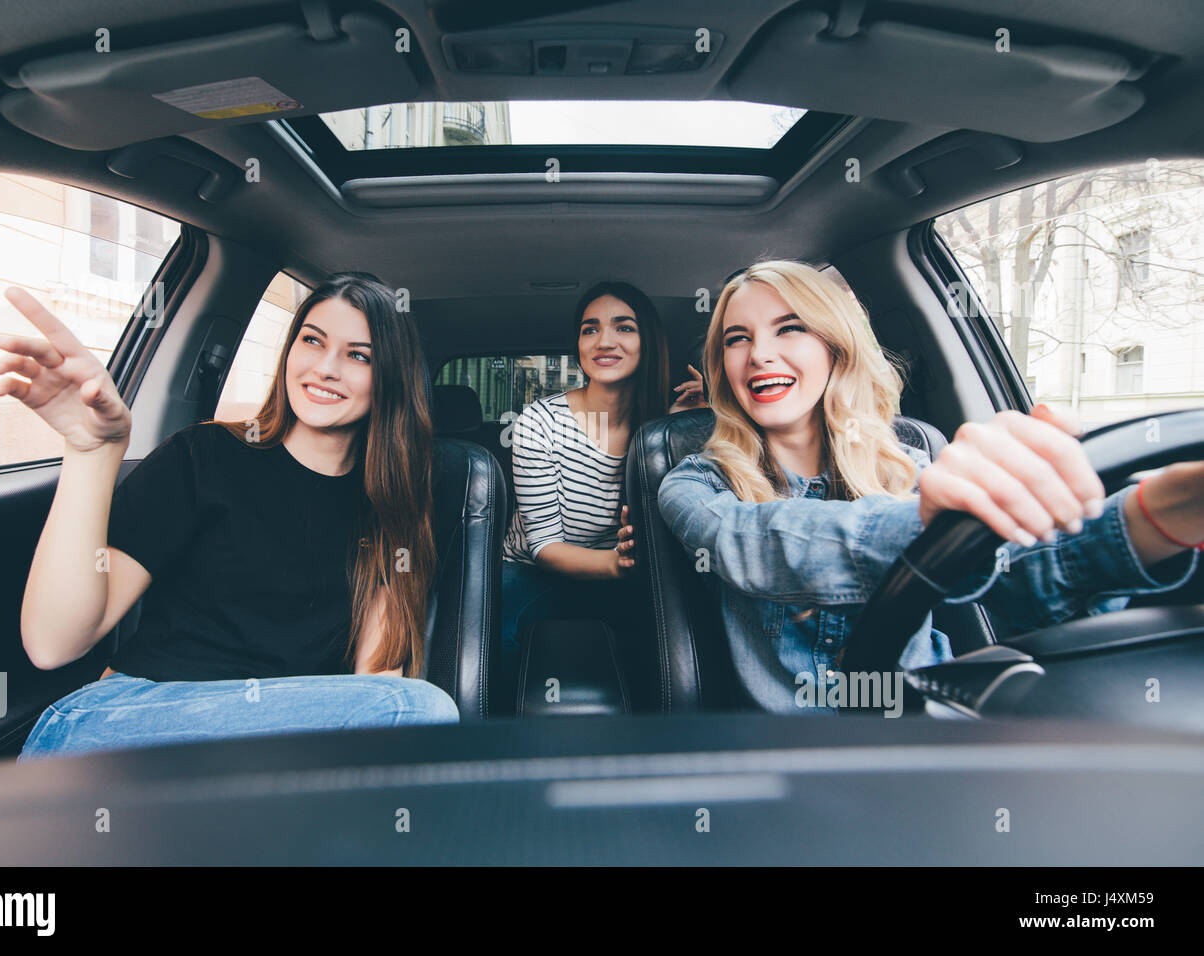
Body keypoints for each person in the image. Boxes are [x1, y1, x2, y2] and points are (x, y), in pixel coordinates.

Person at [657, 259, 1203, 714]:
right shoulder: (692, 481)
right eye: (737, 339)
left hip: (931, 725)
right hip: (791, 756)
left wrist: (1156, 514)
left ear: (835, 346)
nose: (759, 354)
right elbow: (753, 542)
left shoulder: (912, 464)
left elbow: (1018, 574)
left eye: (790, 327)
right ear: (722, 365)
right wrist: (922, 524)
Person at [0, 273, 459, 760]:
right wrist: (91, 452)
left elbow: (375, 692)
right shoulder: (202, 457)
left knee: (412, 712)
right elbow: (53, 645)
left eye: (358, 355)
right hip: (127, 722)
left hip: (273, 746)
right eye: (312, 341)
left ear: (391, 378)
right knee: (421, 710)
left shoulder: (391, 511)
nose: (325, 368)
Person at [498, 281, 706, 702]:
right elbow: (544, 546)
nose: (604, 341)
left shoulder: (665, 426)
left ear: (648, 341)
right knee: (499, 642)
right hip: (532, 573)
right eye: (590, 329)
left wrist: (695, 425)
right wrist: (617, 565)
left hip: (628, 573)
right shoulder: (539, 424)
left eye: (623, 327)